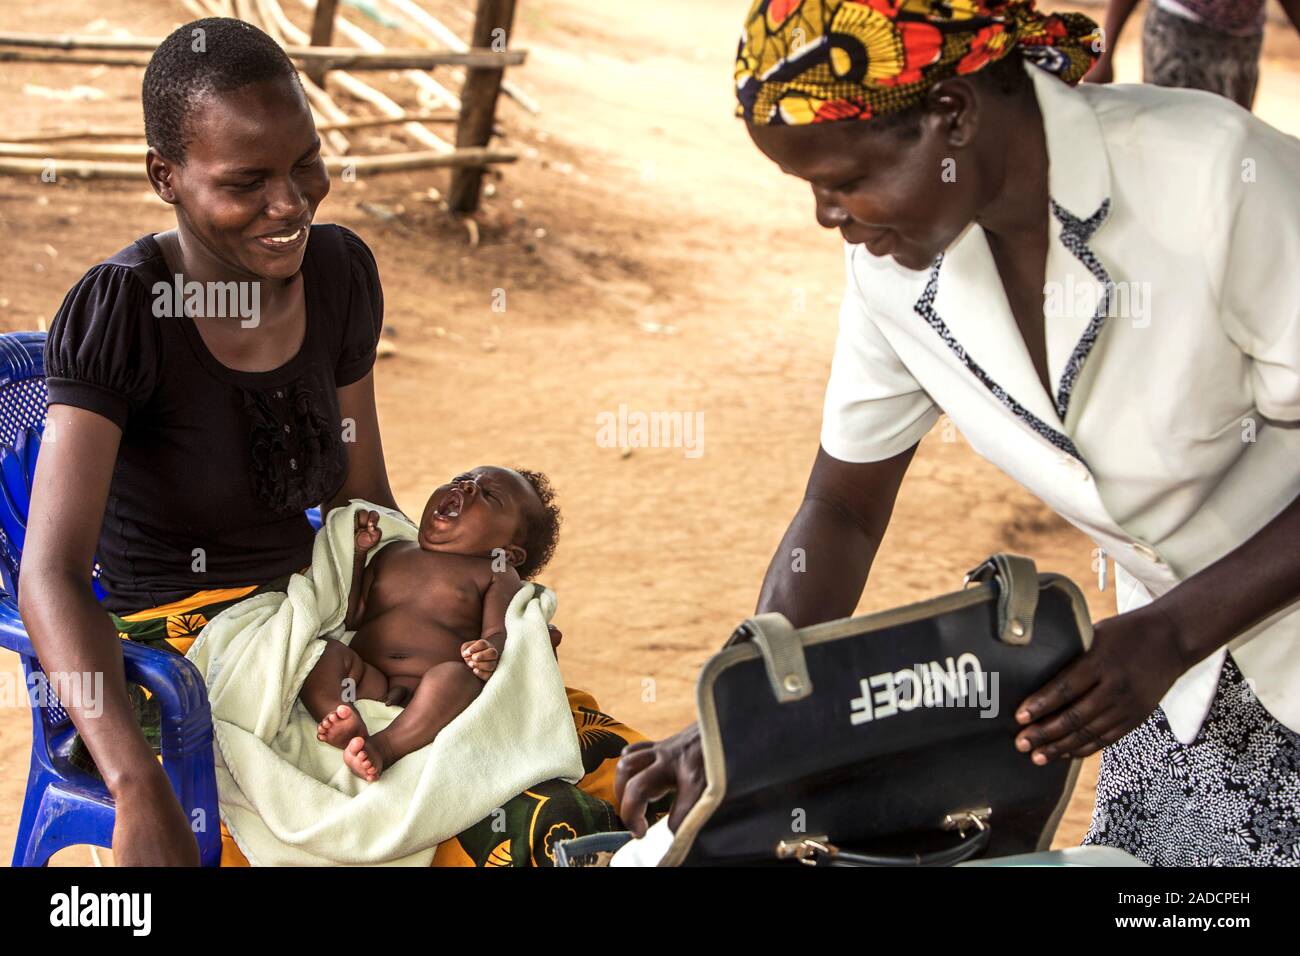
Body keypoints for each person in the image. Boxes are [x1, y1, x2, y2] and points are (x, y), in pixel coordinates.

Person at [617, 0, 1300, 865]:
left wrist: (1173, 634)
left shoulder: (1210, 180)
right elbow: (842, 507)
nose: (828, 216)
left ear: (954, 115)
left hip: (1178, 643)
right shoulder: (894, 270)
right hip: (1166, 681)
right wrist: (744, 720)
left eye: (842, 179)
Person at [19, 17, 643, 867]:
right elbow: (50, 576)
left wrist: (453, 612)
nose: (292, 203)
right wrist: (135, 783)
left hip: (327, 612)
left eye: (305, 162)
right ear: (165, 177)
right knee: (498, 822)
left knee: (605, 764)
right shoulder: (125, 312)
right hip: (187, 656)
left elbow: (363, 499)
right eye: (248, 181)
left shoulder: (340, 275)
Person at [306, 467, 562, 781]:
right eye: (461, 480)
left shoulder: (494, 573)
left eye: (489, 495)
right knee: (322, 654)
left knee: (456, 677)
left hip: (429, 690)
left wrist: (488, 651)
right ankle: (340, 715)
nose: (467, 487)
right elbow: (353, 616)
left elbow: (499, 632)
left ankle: (385, 746)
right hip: (366, 678)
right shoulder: (391, 551)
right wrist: (359, 555)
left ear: (508, 553)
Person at [1086, 0, 1300, 110]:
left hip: (1241, 45)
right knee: (1173, 136)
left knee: (1229, 143)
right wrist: (1105, 53)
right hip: (1178, 35)